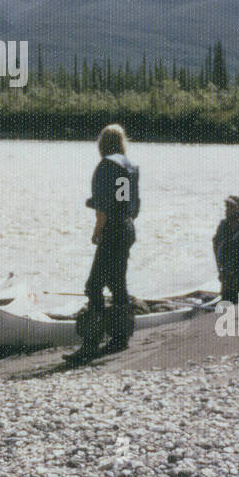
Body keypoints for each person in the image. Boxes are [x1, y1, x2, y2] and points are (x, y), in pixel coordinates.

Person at [65, 124, 140, 362]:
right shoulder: (130, 167)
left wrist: (97, 231)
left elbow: (103, 208)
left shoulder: (106, 165)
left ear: (102, 143)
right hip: (128, 227)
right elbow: (131, 205)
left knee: (94, 285)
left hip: (113, 229)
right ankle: (120, 338)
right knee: (118, 282)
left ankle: (90, 343)